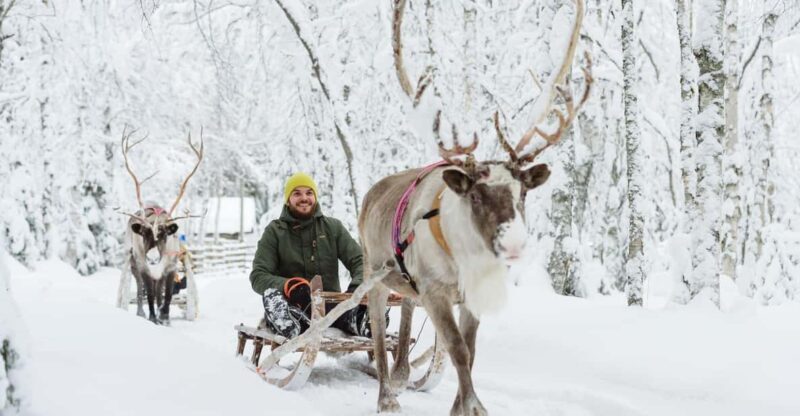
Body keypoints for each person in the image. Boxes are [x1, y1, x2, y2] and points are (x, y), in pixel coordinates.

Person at [249, 172, 372, 339]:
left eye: (309, 193)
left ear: (315, 196)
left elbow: (361, 261)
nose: (304, 198)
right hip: (294, 306)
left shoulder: (333, 228)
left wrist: (358, 287)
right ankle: (292, 326)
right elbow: (258, 276)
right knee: (272, 297)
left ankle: (364, 321)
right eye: (297, 193)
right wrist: (288, 285)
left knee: (360, 304)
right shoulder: (275, 232)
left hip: (332, 308)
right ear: (288, 199)